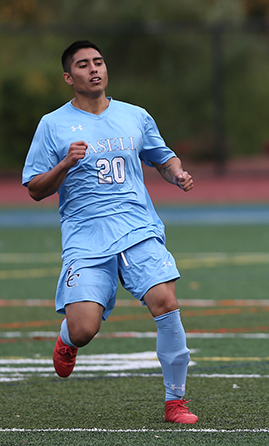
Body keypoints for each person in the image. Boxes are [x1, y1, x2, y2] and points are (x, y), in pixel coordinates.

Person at [22, 40, 198, 423]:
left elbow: (162, 157)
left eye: (98, 62)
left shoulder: (134, 115)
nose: (94, 69)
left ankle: (175, 401)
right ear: (70, 77)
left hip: (138, 228)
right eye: (83, 65)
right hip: (86, 238)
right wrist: (66, 163)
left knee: (165, 302)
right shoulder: (52, 125)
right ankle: (68, 341)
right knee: (84, 328)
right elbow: (35, 188)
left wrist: (176, 173)